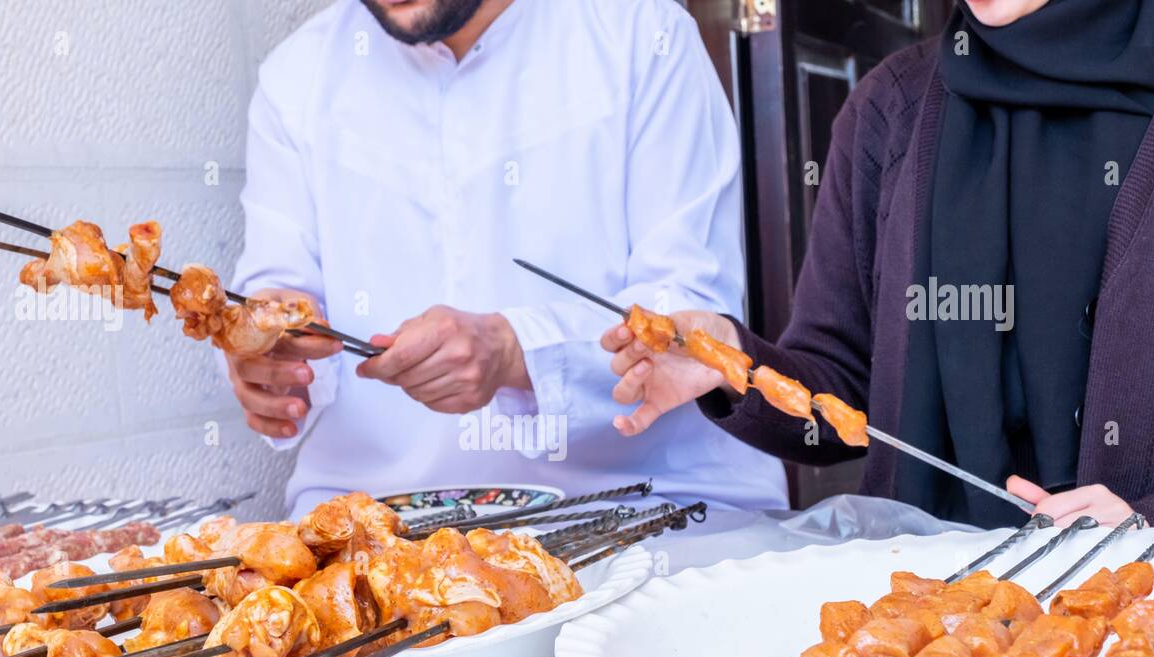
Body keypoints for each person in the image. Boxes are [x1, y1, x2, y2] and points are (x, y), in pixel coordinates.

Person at [602, 0, 1154, 529]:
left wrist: (1146, 525)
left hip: (1135, 609)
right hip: (923, 608)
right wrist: (728, 359)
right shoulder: (890, 108)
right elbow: (843, 399)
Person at [229, 0, 786, 516]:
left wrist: (514, 352)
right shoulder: (298, 74)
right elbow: (276, 288)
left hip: (647, 506)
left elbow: (689, 319)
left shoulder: (641, 31)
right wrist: (271, 361)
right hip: (370, 522)